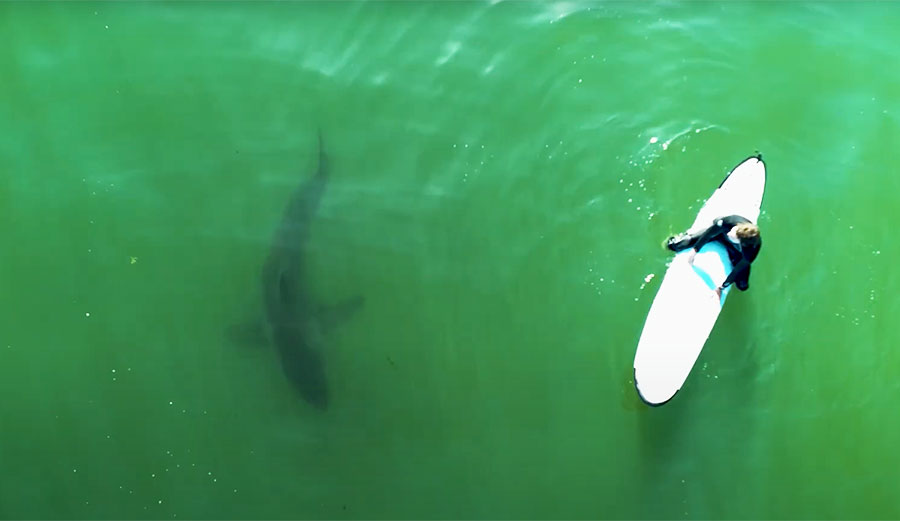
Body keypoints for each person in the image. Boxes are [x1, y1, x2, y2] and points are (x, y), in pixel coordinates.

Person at [666, 215, 762, 298]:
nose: (730, 233)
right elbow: (708, 234)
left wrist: (721, 287)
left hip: (735, 249)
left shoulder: (751, 250)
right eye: (734, 230)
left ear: (742, 243)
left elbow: (737, 270)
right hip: (719, 234)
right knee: (675, 245)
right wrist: (694, 251)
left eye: (734, 235)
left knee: (742, 286)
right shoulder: (730, 222)